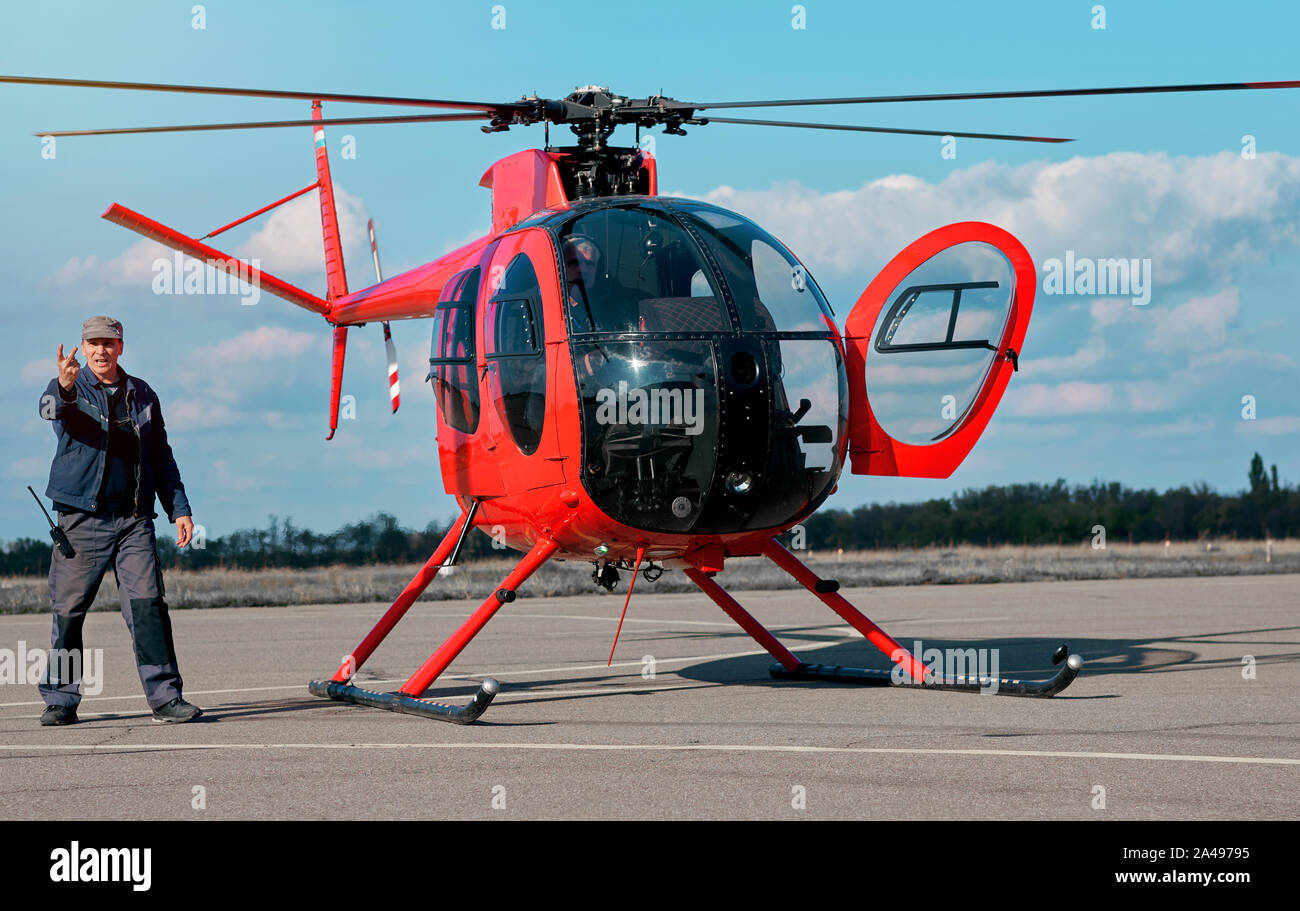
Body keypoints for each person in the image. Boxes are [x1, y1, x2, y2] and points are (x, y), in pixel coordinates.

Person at [36, 316, 201, 725]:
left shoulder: (142, 394)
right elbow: (49, 410)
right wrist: (65, 385)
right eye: (93, 343)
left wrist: (178, 508)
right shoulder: (69, 388)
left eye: (108, 343)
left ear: (121, 346)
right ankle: (60, 699)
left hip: (133, 520)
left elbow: (161, 455)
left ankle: (166, 698)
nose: (100, 350)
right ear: (83, 346)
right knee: (69, 611)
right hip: (82, 519)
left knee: (148, 608)